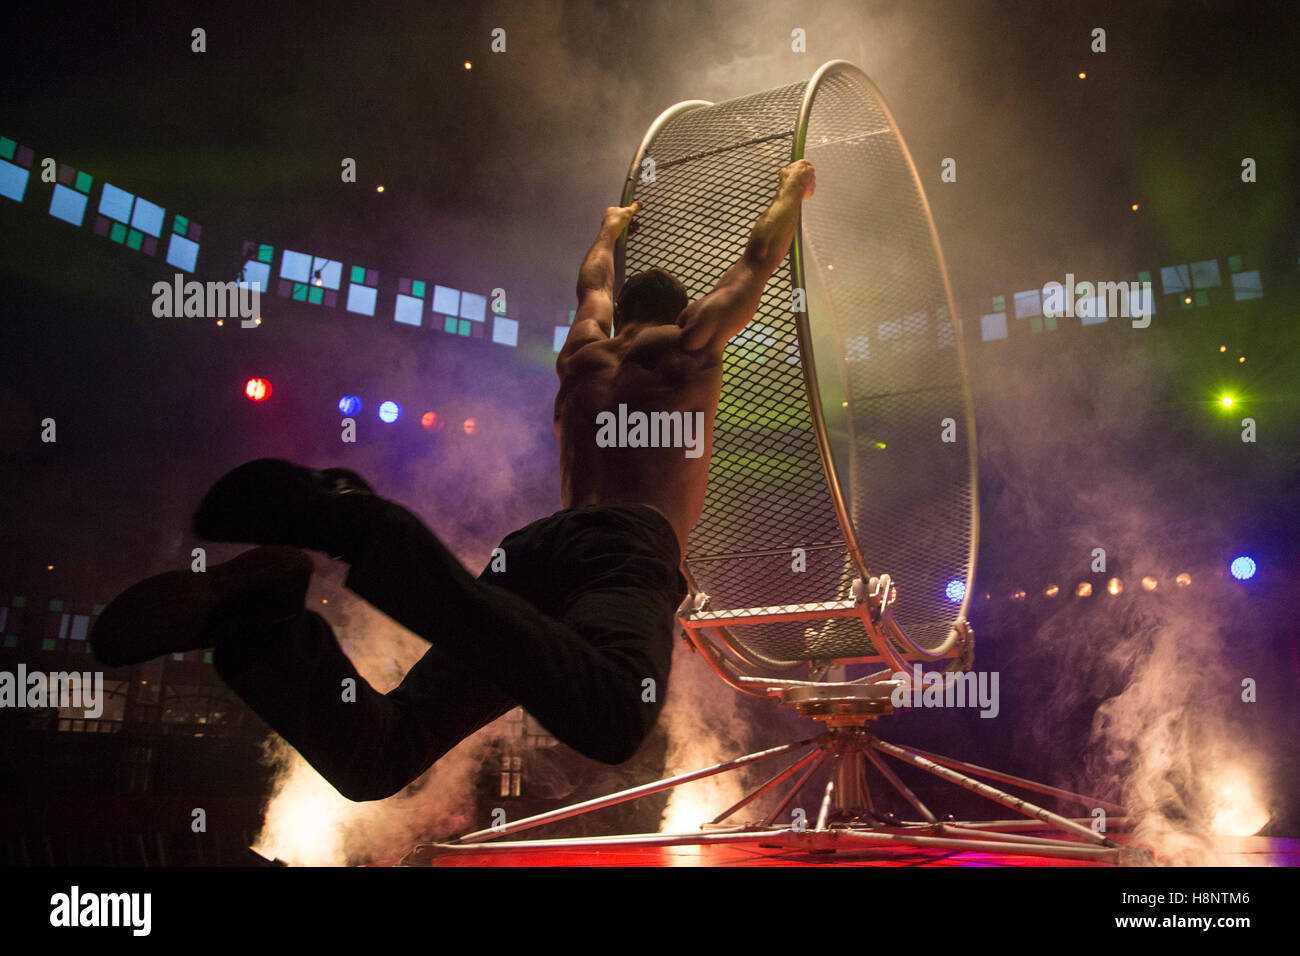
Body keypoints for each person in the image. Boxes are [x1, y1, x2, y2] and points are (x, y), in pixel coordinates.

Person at [92, 159, 817, 802]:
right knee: (615, 712)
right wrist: (794, 185)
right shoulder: (689, 344)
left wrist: (609, 227)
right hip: (622, 551)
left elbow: (591, 280)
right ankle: (367, 526)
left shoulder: (583, 353)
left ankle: (257, 627)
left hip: (536, 551)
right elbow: (758, 256)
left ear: (619, 314)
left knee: (383, 756)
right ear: (680, 310)